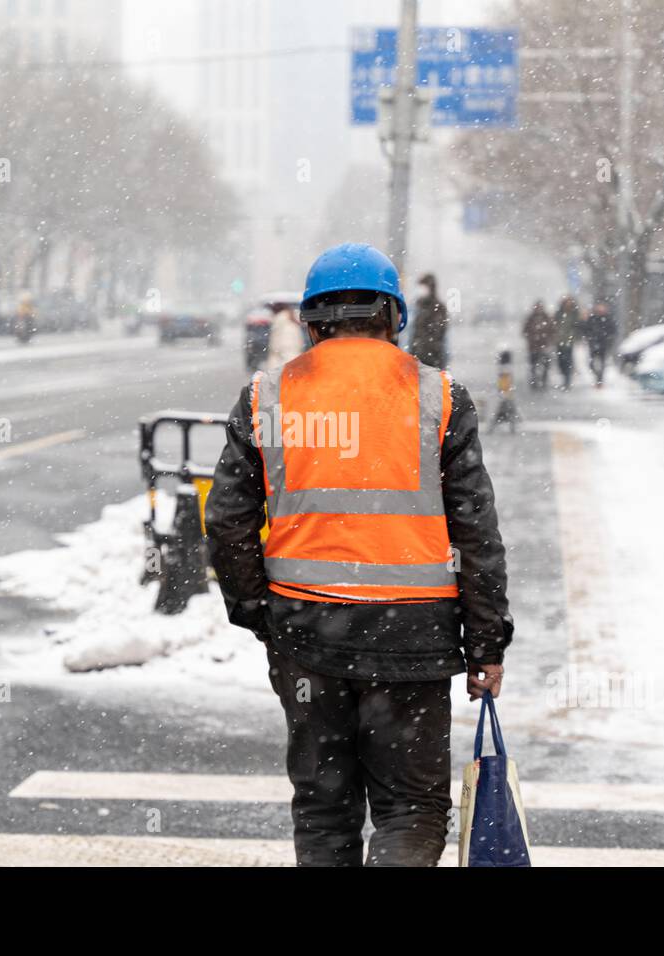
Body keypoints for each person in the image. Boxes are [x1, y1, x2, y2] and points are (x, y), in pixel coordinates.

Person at [205, 243, 512, 867]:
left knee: (323, 810)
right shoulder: (440, 398)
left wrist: (259, 614)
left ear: (311, 321)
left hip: (306, 634)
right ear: (393, 316)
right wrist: (485, 644)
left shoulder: (267, 397)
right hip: (414, 641)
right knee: (410, 810)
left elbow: (229, 522)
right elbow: (475, 532)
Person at [408, 272, 448, 368]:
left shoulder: (439, 307)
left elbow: (439, 333)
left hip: (433, 359)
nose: (421, 290)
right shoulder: (418, 305)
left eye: (423, 286)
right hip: (417, 357)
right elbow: (414, 332)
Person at [522, 300, 556, 390]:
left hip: (545, 346)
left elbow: (553, 330)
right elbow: (525, 331)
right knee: (533, 365)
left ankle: (544, 381)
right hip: (533, 347)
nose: (538, 309)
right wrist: (531, 338)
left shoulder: (547, 318)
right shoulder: (530, 318)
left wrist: (549, 340)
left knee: (545, 365)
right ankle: (534, 381)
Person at [584, 301, 618, 388]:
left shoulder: (608, 318)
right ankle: (597, 377)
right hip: (593, 343)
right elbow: (586, 329)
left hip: (603, 344)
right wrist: (589, 337)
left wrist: (608, 338)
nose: (600, 310)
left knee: (602, 363)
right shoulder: (592, 318)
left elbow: (613, 330)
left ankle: (599, 381)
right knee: (591, 363)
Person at [553, 295, 583, 390]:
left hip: (570, 340)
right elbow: (554, 324)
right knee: (561, 361)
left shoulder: (574, 314)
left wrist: (577, 337)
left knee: (567, 360)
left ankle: (567, 380)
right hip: (559, 340)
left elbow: (578, 326)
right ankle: (564, 376)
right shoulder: (559, 313)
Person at [264, 301, 305, 371]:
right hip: (290, 359)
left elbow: (286, 349)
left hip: (285, 361)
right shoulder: (287, 322)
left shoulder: (283, 324)